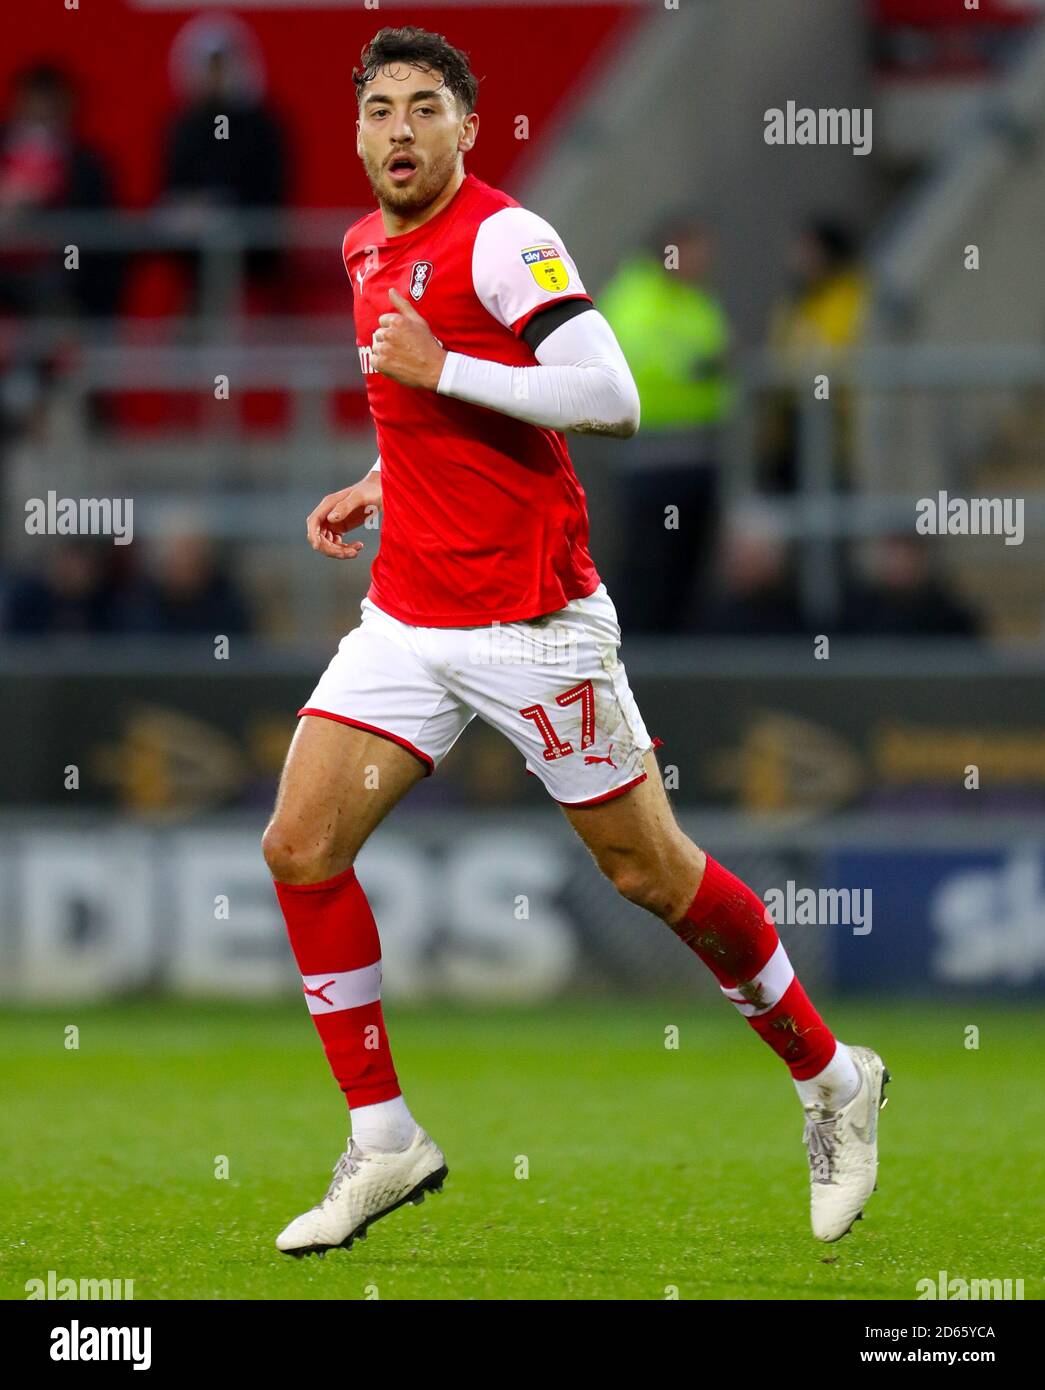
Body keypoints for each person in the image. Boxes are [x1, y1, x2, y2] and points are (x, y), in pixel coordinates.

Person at [262, 26, 889, 1259]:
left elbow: (610, 396)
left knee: (651, 875)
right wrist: (381, 478)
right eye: (378, 109)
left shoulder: (504, 237)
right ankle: (385, 1139)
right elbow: (433, 411)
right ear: (356, 131)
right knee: (299, 844)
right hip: (408, 616)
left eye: (424, 108)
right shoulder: (360, 247)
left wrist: (445, 370)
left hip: (533, 626)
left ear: (467, 128)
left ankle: (831, 1077)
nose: (398, 129)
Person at [599, 217, 733, 632]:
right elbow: (640, 358)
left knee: (689, 572)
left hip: (697, 454)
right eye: (693, 249)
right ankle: (642, 661)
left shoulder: (698, 301)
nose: (702, 260)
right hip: (650, 460)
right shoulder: (633, 297)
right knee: (648, 566)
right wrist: (695, 367)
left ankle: (679, 666)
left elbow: (723, 358)